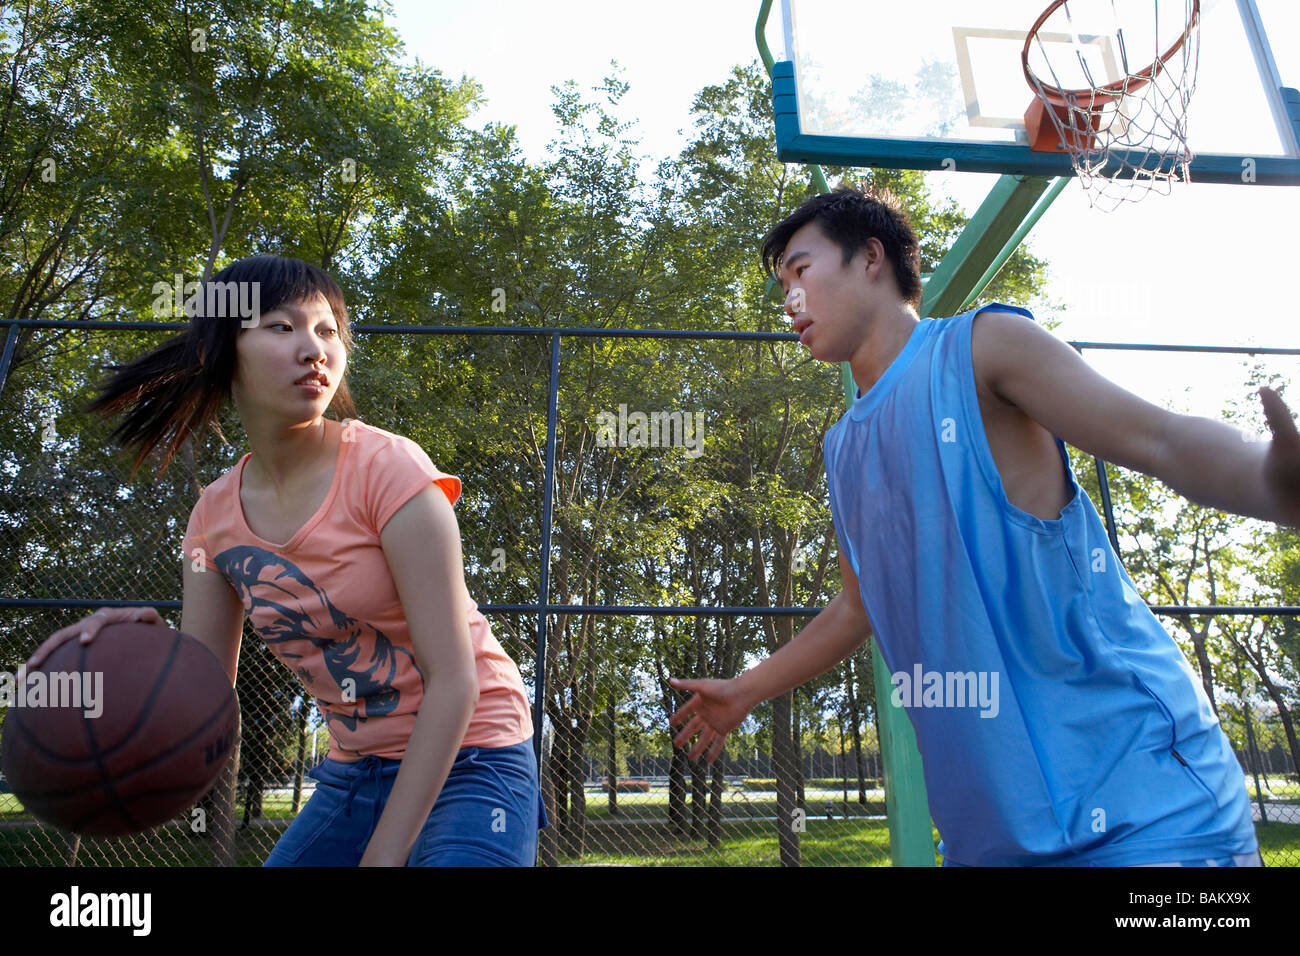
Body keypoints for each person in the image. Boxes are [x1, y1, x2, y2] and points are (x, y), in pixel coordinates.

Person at [669, 185, 1293, 866]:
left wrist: (1266, 479)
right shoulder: (842, 446)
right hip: (991, 836)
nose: (788, 299)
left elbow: (1161, 439)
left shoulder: (983, 348)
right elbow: (857, 606)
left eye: (800, 269)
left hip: (1144, 809)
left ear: (870, 257)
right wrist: (746, 689)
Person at [23, 255, 544, 866]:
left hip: (474, 753)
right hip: (357, 771)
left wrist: (383, 855)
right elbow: (204, 694)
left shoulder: (391, 471)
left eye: (327, 330)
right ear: (225, 350)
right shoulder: (210, 523)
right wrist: (141, 648)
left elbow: (454, 682)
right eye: (281, 327)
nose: (314, 348)